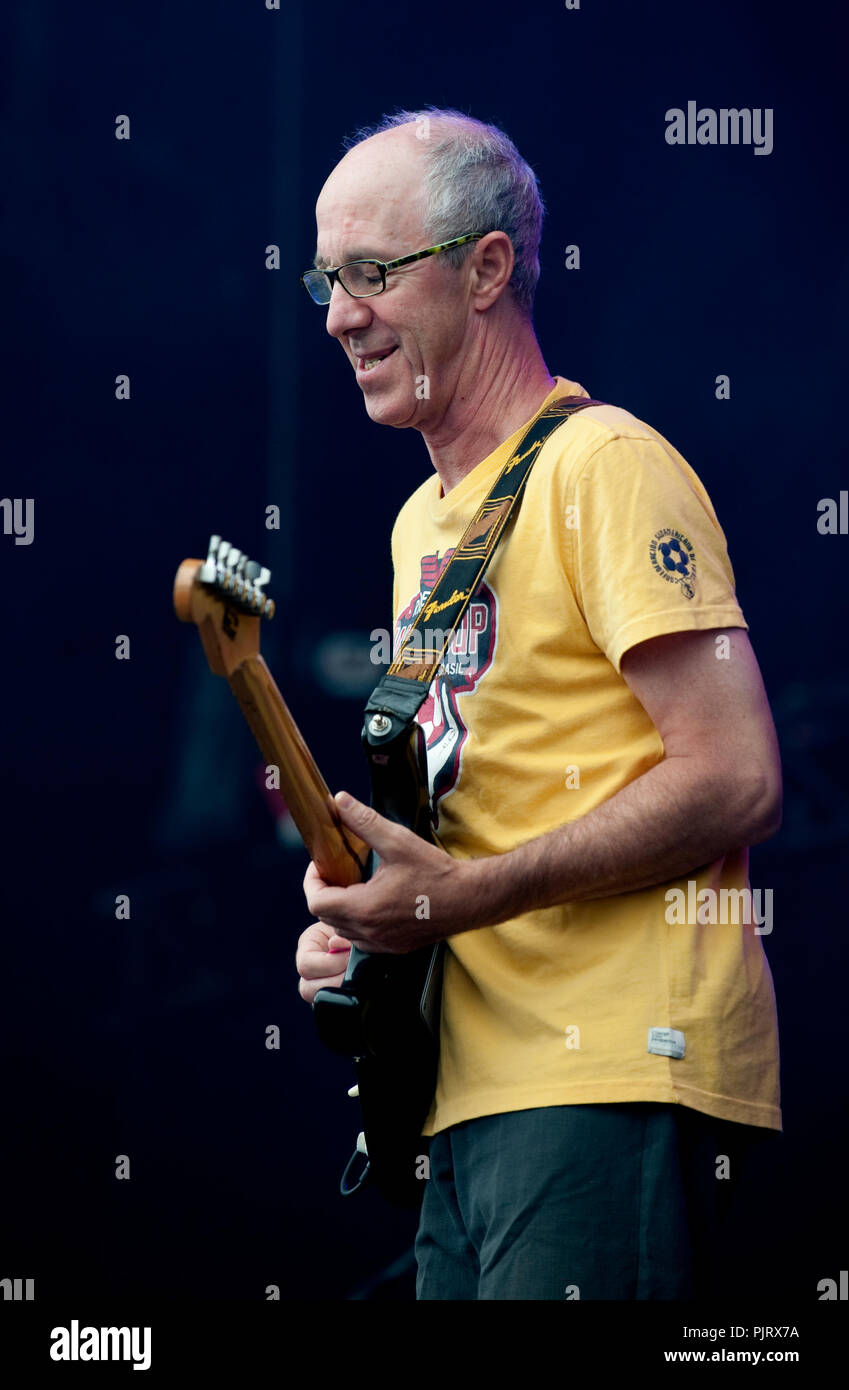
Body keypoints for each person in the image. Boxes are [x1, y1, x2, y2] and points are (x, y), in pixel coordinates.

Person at [295, 107, 782, 1301]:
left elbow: (737, 776)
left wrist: (463, 894)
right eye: (325, 277)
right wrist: (372, 922)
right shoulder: (425, 522)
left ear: (489, 269)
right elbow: (483, 802)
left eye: (371, 272)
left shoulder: (604, 464)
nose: (339, 313)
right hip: (468, 1090)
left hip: (611, 1070)